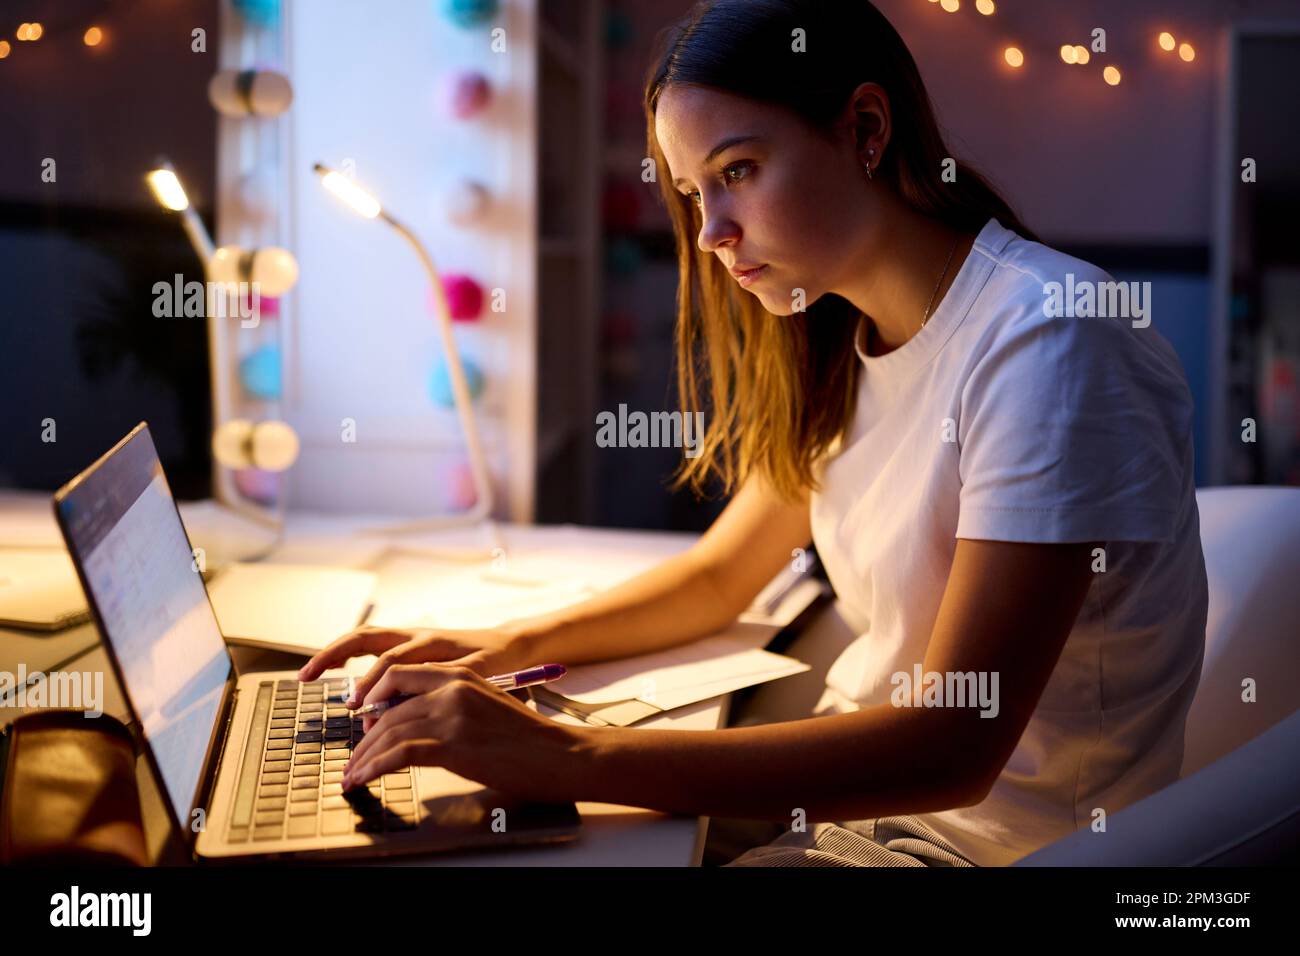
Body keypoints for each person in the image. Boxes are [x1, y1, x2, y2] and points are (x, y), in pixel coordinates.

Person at [299, 0, 1207, 867]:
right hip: (865, 802)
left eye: (736, 171)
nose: (709, 235)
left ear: (865, 131)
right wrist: (502, 651)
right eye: (692, 192)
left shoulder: (1049, 339)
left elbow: (952, 747)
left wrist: (566, 756)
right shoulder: (843, 332)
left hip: (969, 845)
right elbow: (719, 574)